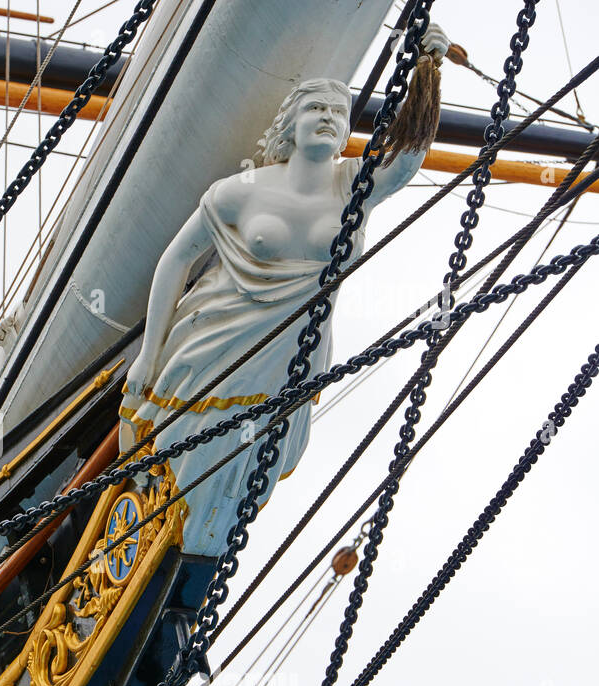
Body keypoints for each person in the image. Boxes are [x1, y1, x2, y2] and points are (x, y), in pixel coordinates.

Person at [119, 25, 447, 557]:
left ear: (346, 135)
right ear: (290, 122)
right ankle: (158, 544)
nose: (328, 117)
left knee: (237, 474)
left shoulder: (353, 187)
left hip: (290, 360)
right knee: (181, 460)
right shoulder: (240, 191)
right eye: (316, 107)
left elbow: (406, 160)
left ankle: (188, 552)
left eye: (339, 114)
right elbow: (176, 260)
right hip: (209, 347)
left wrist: (426, 72)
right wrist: (147, 357)